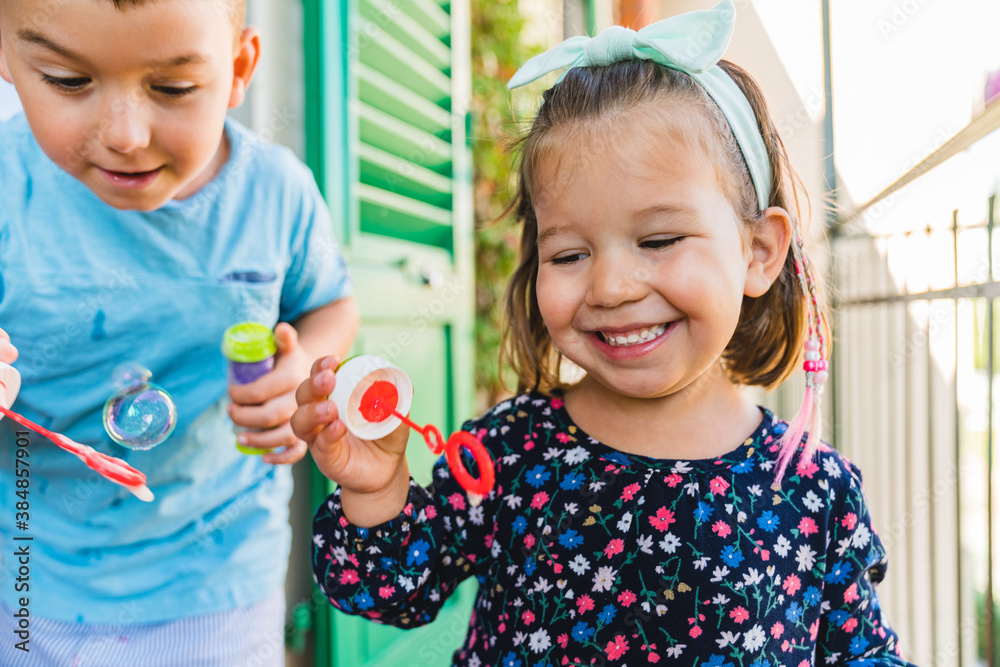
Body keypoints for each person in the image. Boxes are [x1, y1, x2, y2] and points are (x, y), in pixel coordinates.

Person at [294, 2, 914, 665]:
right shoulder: (511, 450)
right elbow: (393, 591)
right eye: (568, 254)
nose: (611, 287)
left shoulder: (814, 488)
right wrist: (374, 490)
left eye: (659, 238)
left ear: (759, 250)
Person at [0, 0, 358, 664]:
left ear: (238, 68)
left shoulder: (276, 194)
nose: (126, 133)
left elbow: (331, 304)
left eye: (171, 87)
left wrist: (305, 362)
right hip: (25, 587)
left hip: (219, 590)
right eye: (69, 80)